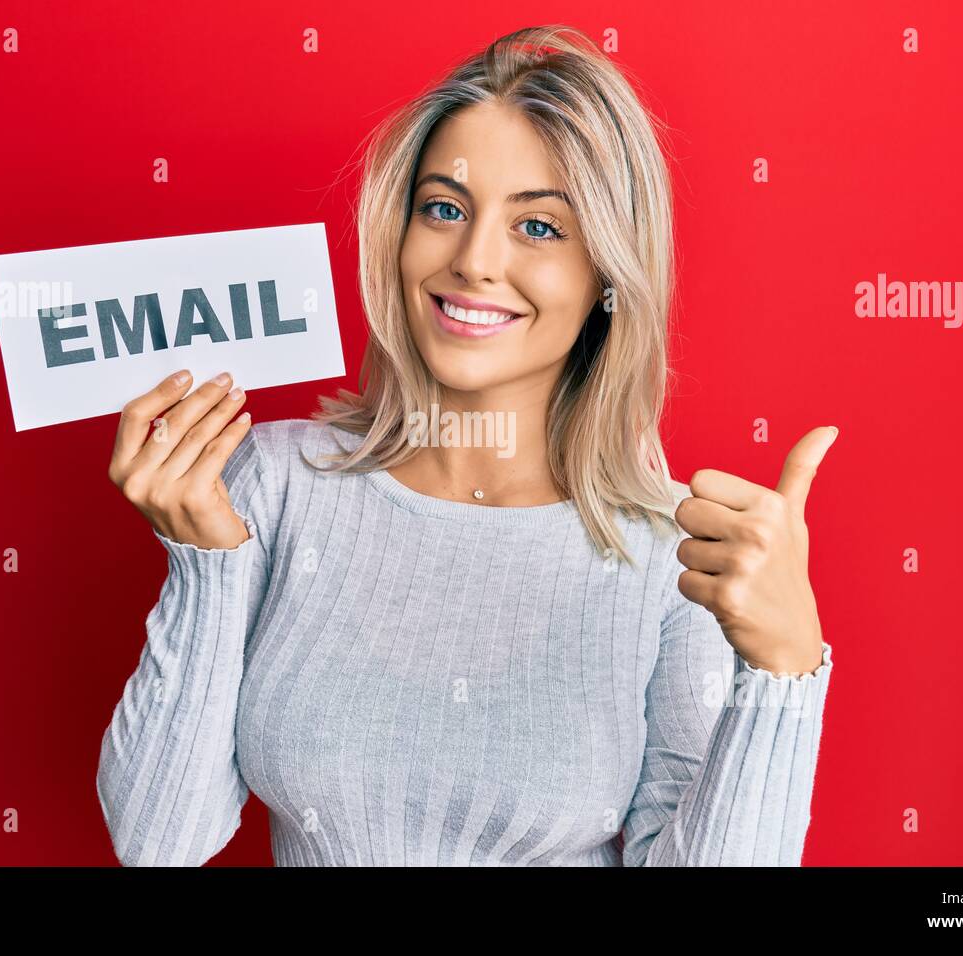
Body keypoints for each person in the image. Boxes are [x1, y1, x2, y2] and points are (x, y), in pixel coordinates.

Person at [95, 24, 836, 867]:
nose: (475, 261)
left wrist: (783, 672)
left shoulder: (675, 551)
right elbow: (158, 845)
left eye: (540, 228)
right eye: (444, 209)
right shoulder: (269, 482)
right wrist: (204, 561)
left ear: (607, 277)